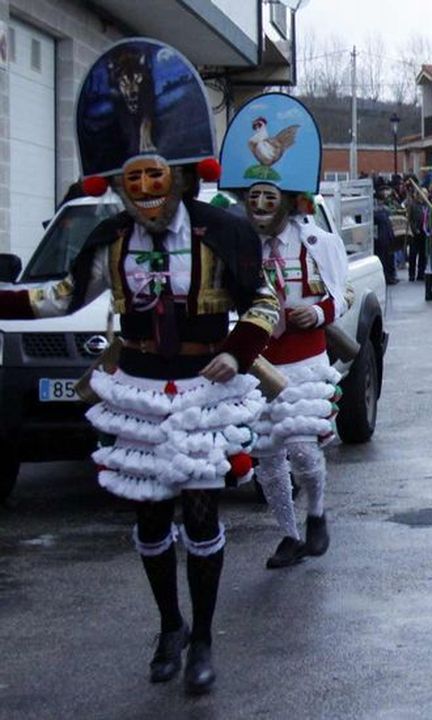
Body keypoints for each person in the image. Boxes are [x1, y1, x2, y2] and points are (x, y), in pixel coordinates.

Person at [0, 39, 280, 694]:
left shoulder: (228, 233)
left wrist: (236, 350)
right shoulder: (110, 240)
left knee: (204, 514)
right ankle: (170, 626)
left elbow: (264, 301)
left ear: (182, 176)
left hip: (204, 394)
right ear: (119, 186)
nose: (146, 192)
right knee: (150, 518)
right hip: (139, 390)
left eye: (156, 178)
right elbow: (59, 297)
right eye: (133, 182)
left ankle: (206, 637)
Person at [218, 93, 348, 569]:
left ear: (288, 202)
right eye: (252, 198)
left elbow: (339, 296)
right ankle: (289, 535)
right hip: (257, 361)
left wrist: (320, 313)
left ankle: (317, 513)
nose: (259, 205)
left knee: (302, 448)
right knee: (266, 459)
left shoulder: (317, 242)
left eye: (268, 197)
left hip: (305, 359)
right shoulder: (236, 246)